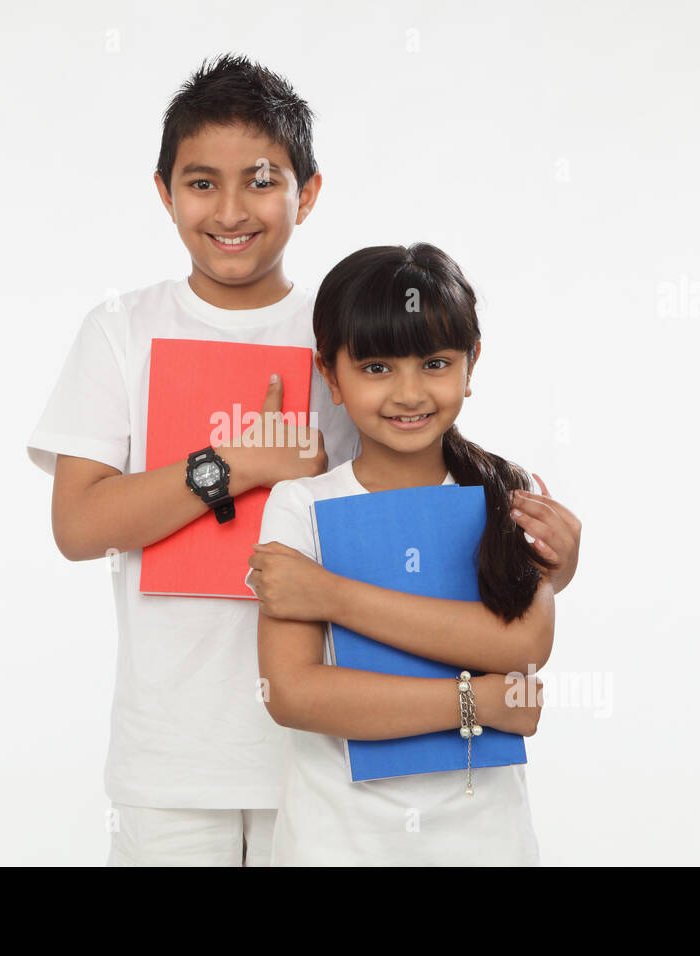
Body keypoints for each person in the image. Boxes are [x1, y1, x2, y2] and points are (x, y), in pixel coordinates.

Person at [27, 55, 582, 866]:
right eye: (200, 183)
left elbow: (426, 512)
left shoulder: (351, 327)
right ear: (162, 191)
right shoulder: (121, 329)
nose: (230, 210)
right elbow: (79, 525)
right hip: (178, 748)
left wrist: (550, 567)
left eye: (259, 181)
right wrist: (238, 465)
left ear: (307, 192)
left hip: (349, 751)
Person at [247, 242, 581, 865]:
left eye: (434, 362)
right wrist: (476, 702)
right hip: (337, 841)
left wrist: (331, 595)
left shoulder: (510, 493)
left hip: (483, 839)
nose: (408, 393)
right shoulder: (300, 504)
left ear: (470, 363)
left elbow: (521, 646)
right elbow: (291, 693)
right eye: (376, 367)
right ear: (331, 374)